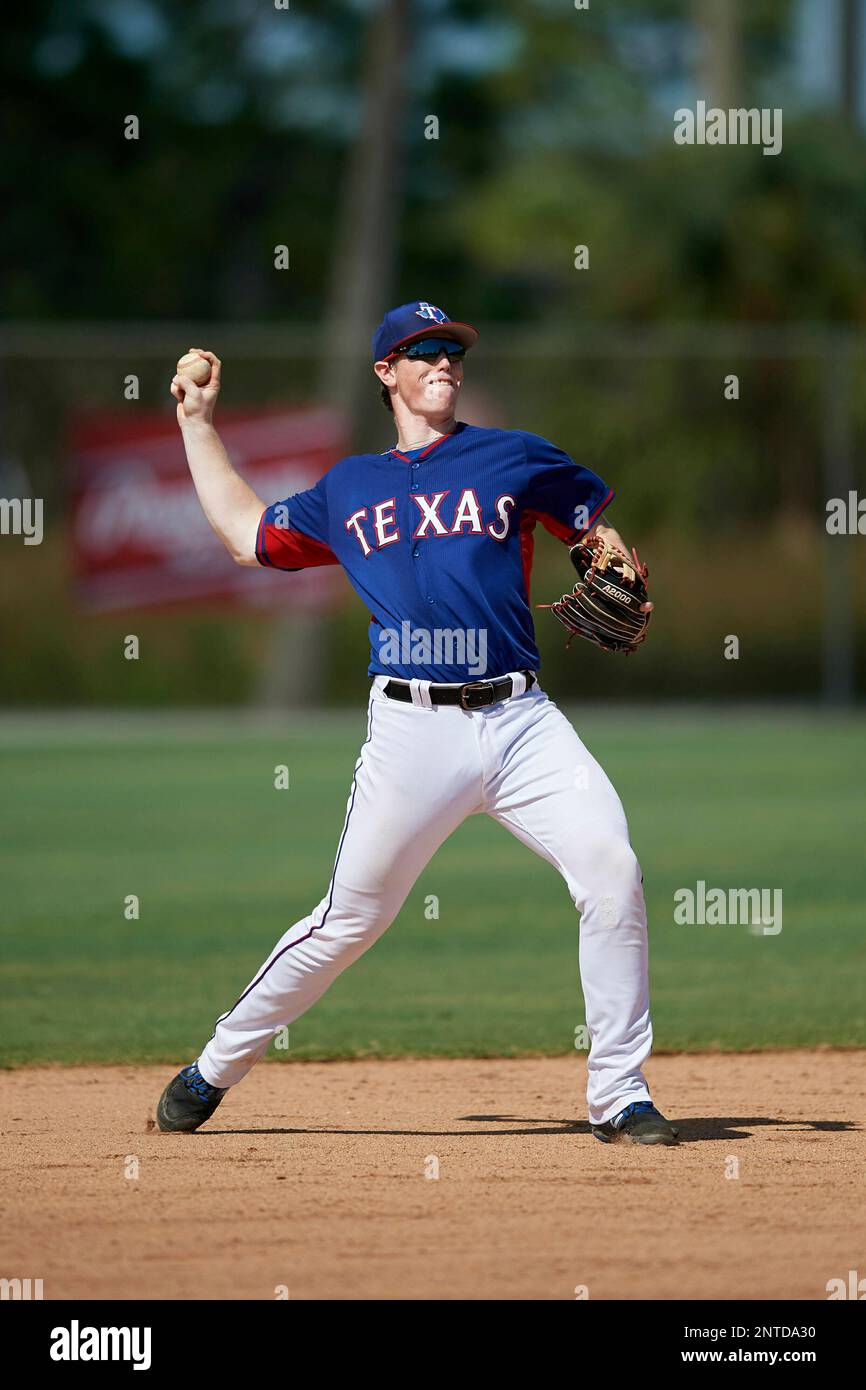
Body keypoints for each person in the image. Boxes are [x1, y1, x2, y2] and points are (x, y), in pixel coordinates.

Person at [156, 300, 678, 1147]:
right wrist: (198, 425)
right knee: (347, 922)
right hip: (411, 732)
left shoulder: (514, 456)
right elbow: (246, 535)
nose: (442, 361)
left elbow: (592, 527)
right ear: (385, 373)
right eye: (421, 349)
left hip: (522, 722)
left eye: (451, 350)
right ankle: (212, 1067)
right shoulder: (350, 487)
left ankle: (620, 1094)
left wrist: (610, 552)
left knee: (612, 872)